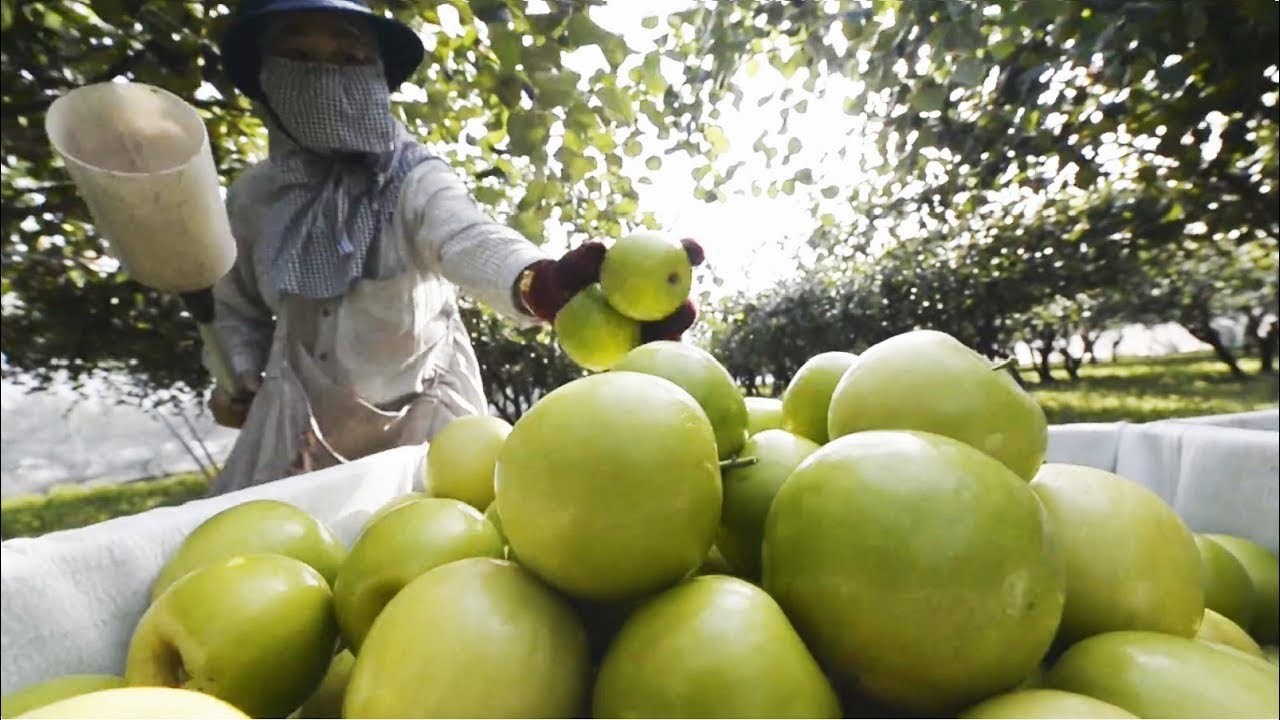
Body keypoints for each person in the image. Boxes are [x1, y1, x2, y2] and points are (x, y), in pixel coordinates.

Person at [204, 0, 701, 496]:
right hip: (299, 428)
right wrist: (243, 371)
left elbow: (466, 237)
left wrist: (544, 285)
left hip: (424, 424)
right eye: (299, 56)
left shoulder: (411, 179)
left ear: (376, 77)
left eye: (348, 59)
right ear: (266, 77)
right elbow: (234, 304)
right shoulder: (254, 200)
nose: (324, 76)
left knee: (443, 533)